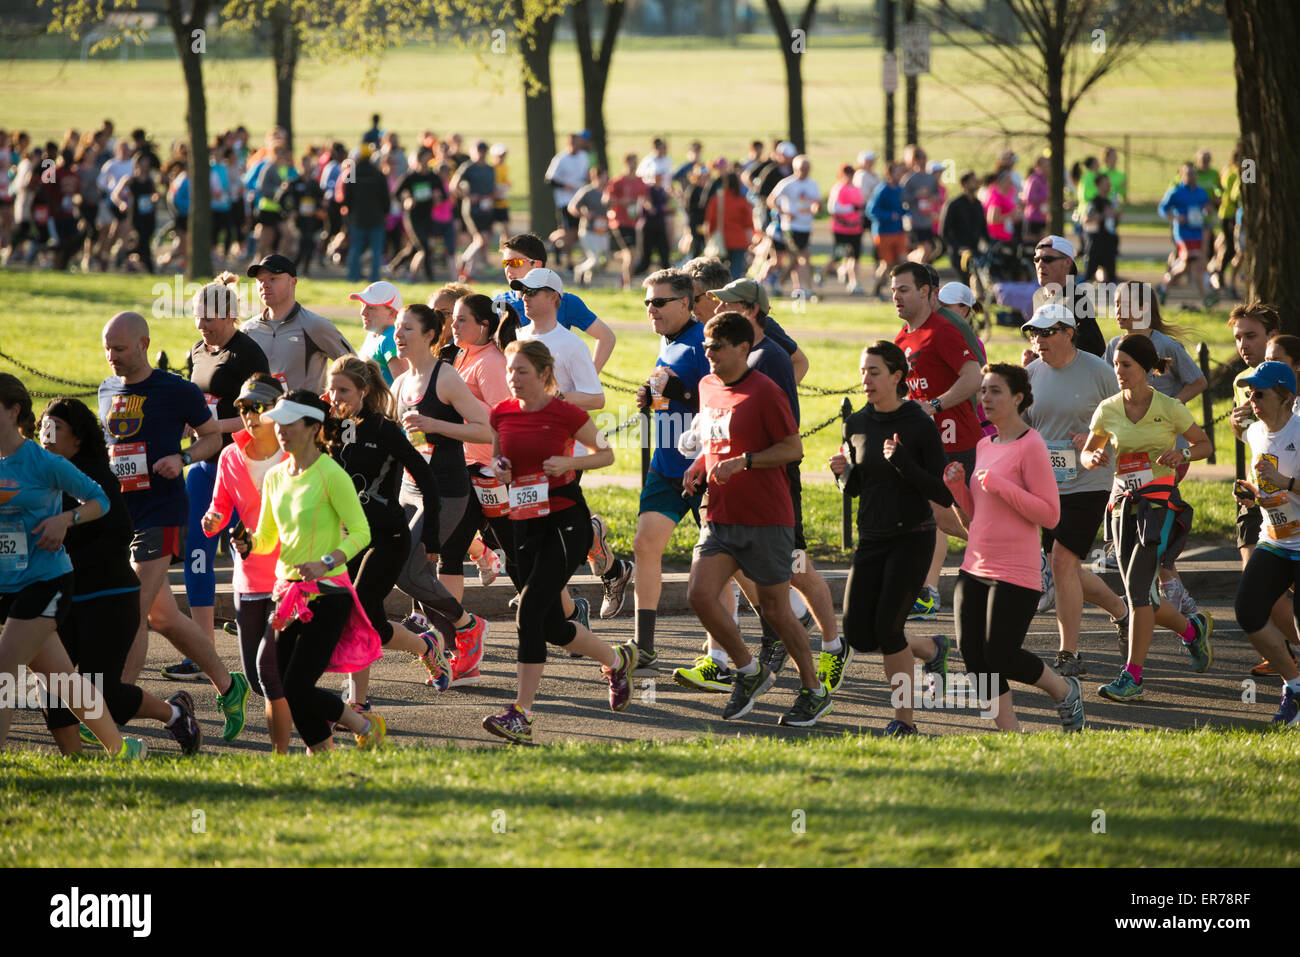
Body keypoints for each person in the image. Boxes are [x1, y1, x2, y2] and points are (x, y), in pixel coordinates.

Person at [99, 312, 251, 741]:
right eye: (107, 348)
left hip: (162, 512)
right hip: (122, 515)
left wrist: (182, 458)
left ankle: (112, 711)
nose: (112, 357)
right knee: (163, 617)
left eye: (121, 349)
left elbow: (211, 438)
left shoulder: (176, 390)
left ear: (144, 344)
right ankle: (229, 684)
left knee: (133, 611)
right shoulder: (106, 389)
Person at [482, 339, 638, 744]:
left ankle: (522, 715)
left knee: (528, 613)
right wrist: (500, 470)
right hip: (524, 524)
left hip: (566, 523)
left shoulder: (565, 412)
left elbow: (605, 454)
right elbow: (501, 463)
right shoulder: (501, 414)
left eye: (522, 373)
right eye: (510, 372)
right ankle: (616, 660)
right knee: (550, 625)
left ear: (544, 375)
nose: (513, 380)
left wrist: (569, 462)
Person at [682, 312, 831, 727]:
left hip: (767, 519)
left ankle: (813, 690)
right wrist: (700, 465)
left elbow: (793, 449)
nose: (708, 352)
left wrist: (744, 462)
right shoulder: (707, 386)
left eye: (718, 346)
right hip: (720, 515)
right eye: (707, 345)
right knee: (698, 595)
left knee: (777, 613)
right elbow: (717, 440)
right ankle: (749, 670)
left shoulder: (765, 392)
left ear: (743, 349)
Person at [33, 394, 198, 756]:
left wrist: (64, 545)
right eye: (45, 426)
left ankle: (174, 714)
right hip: (62, 601)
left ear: (78, 436)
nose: (47, 434)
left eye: (57, 427)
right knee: (55, 685)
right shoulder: (38, 475)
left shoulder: (93, 475)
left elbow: (119, 534)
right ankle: (74, 764)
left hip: (108, 599)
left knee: (103, 693)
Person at [0, 375, 147, 756]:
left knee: (3, 672)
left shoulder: (42, 462)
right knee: (65, 681)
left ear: (13, 410)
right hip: (6, 584)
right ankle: (121, 750)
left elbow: (100, 500)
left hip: (46, 582)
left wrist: (65, 521)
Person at [943, 363, 1085, 732]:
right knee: (973, 656)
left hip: (1015, 570)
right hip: (974, 566)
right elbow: (979, 514)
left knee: (1001, 655)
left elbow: (1051, 515)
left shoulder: (1032, 445)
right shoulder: (984, 444)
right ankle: (1010, 735)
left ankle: (1064, 689)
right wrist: (959, 489)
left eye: (995, 391)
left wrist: (1003, 487)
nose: (985, 398)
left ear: (1018, 398)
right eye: (983, 390)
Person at [828, 342, 953, 734]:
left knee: (887, 629)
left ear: (898, 376)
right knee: (859, 634)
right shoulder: (857, 424)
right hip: (872, 540)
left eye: (874, 372)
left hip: (912, 538)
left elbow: (942, 491)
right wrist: (841, 474)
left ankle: (904, 722)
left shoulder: (918, 423)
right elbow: (858, 487)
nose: (865, 379)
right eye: (863, 371)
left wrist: (903, 463)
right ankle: (931, 649)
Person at [1082, 334, 1214, 702]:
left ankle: (1133, 677)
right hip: (1123, 506)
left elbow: (1204, 444)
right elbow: (1090, 451)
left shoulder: (1170, 407)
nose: (1119, 371)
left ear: (1145, 368)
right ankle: (1192, 630)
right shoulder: (1107, 409)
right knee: (1142, 596)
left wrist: (1183, 454)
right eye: (1116, 365)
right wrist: (1092, 458)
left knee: (1138, 592)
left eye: (1126, 365)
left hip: (1159, 507)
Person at [251, 390, 385, 752]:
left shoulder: (331, 474)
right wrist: (246, 543)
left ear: (313, 428)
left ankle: (346, 738)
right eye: (278, 423)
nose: (281, 430)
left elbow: (362, 533)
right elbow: (266, 539)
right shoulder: (276, 476)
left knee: (295, 686)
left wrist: (326, 562)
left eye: (290, 423)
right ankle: (339, 742)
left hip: (327, 596)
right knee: (285, 686)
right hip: (287, 597)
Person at [325, 357, 454, 703]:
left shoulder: (384, 429)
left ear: (364, 391)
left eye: (344, 390)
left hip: (387, 538)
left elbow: (426, 477)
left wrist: (431, 536)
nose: (335, 396)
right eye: (332, 388)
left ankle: (358, 704)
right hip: (350, 538)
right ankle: (425, 646)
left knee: (358, 612)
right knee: (371, 625)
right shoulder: (331, 428)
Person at [169, 273, 270, 682]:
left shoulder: (249, 354)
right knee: (197, 555)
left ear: (230, 315)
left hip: (242, 466)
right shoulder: (197, 349)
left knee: (254, 555)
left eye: (209, 318)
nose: (201, 326)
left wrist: (213, 426)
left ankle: (270, 648)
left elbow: (263, 415)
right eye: (196, 317)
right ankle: (203, 651)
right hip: (204, 467)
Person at [1021, 304, 1127, 676]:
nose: (1039, 340)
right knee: (1063, 566)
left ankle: (1068, 654)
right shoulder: (1031, 373)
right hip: (1046, 484)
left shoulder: (1099, 371)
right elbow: (1022, 428)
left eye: (1047, 333)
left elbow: (1127, 422)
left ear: (1069, 333)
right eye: (1033, 333)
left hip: (1090, 481)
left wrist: (1095, 441)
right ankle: (1120, 610)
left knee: (1063, 562)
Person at [391, 304, 492, 680]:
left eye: (407, 329)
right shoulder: (400, 383)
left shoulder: (445, 378)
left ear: (431, 336)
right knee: (419, 574)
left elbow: (485, 431)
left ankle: (468, 625)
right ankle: (454, 652)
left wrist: (434, 423)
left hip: (447, 491)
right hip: (408, 489)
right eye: (398, 328)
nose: (399, 335)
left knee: (407, 570)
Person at [624, 269, 710, 675]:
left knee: (729, 565)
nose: (650, 309)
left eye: (658, 302)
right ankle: (645, 646)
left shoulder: (704, 343)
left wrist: (685, 395)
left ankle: (770, 633)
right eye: (647, 303)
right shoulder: (669, 339)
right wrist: (653, 400)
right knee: (645, 545)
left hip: (703, 468)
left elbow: (721, 404)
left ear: (684, 303)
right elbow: (668, 397)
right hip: (665, 465)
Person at [201, 374, 293, 753]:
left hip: (290, 577)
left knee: (273, 673)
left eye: (258, 408)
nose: (250, 417)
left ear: (278, 411)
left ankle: (291, 749)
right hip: (249, 577)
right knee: (258, 681)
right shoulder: (230, 456)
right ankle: (327, 718)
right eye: (243, 409)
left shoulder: (295, 456)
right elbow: (220, 506)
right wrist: (212, 520)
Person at [891, 262, 982, 620]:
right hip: (927, 446)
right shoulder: (901, 338)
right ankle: (1003, 552)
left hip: (959, 443)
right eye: (894, 290)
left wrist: (936, 405)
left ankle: (1012, 561)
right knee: (939, 518)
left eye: (905, 290)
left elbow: (973, 376)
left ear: (927, 292)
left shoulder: (941, 330)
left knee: (965, 517)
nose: (897, 296)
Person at [1232, 360, 1300, 724]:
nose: (1252, 400)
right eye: (1249, 393)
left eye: (1260, 393)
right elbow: (1260, 474)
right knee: (1248, 610)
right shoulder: (1256, 432)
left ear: (1286, 397)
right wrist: (1251, 492)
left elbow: (1280, 477)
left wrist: (1285, 482)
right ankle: (1295, 683)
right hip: (1274, 539)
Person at [498, 232, 617, 372]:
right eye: (505, 263)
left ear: (536, 264)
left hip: (553, 388)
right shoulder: (498, 303)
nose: (508, 269)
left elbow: (606, 337)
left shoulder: (565, 301)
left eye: (515, 263)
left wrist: (590, 377)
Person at [242, 253, 355, 392]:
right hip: (258, 413)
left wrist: (333, 396)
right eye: (260, 280)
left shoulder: (315, 326)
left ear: (293, 282)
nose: (264, 285)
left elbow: (355, 367)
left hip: (305, 412)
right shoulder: (248, 329)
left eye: (273, 279)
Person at [1031, 235, 1105, 356]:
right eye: (1036, 259)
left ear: (1067, 263)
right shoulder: (1039, 297)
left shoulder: (1075, 301)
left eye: (1047, 259)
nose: (1040, 264)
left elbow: (1096, 350)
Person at [1156, 163, 1214, 310]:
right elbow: (1162, 208)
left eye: (1193, 174)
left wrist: (1208, 209)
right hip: (1182, 233)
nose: (1192, 177)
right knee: (1190, 257)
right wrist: (1175, 216)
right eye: (1188, 174)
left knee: (1189, 266)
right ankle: (1205, 297)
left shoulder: (1201, 192)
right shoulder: (1175, 192)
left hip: (1197, 232)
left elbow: (1207, 207)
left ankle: (1164, 287)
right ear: (1182, 175)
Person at [766, 155, 821, 299]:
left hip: (806, 226)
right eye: (803, 169)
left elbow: (817, 202)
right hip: (790, 226)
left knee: (796, 259)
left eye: (807, 169)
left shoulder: (812, 184)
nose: (805, 171)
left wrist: (815, 207)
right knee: (803, 256)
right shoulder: (787, 183)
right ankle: (807, 289)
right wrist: (784, 212)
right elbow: (771, 200)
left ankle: (780, 284)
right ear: (796, 168)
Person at [543, 134, 589, 269]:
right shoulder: (561, 159)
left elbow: (584, 174)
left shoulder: (584, 157)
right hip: (565, 201)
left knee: (576, 233)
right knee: (569, 232)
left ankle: (555, 243)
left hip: (580, 199)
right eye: (575, 143)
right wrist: (565, 186)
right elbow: (549, 179)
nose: (577, 146)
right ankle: (568, 261)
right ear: (569, 143)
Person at [350, 279, 407, 385]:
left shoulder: (391, 338)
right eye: (363, 305)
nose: (363, 312)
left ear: (392, 312)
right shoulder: (373, 334)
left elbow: (403, 386)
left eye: (371, 307)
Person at [940, 171, 988, 285]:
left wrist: (989, 244)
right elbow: (944, 231)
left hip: (975, 251)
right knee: (965, 284)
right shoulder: (953, 205)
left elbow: (983, 229)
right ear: (964, 184)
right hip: (959, 253)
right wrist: (957, 248)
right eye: (973, 181)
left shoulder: (978, 204)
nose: (976, 183)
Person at [824, 163, 866, 294]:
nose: (849, 177)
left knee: (854, 257)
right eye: (847, 174)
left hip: (855, 229)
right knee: (839, 255)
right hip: (841, 229)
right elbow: (833, 208)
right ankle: (823, 271)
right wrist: (851, 208)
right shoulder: (838, 188)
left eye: (851, 174)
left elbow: (861, 206)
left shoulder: (856, 189)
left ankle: (854, 283)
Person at [704, 169, 751, 280]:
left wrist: (709, 238)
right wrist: (749, 241)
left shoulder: (716, 200)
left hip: (721, 240)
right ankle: (732, 294)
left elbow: (709, 222)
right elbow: (748, 223)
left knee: (718, 272)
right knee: (736, 270)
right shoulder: (741, 201)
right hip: (739, 240)